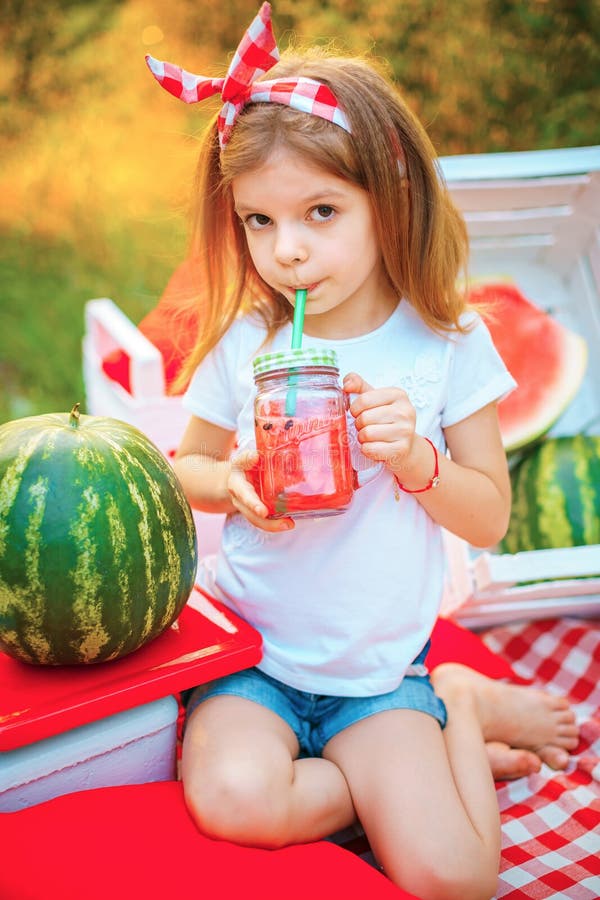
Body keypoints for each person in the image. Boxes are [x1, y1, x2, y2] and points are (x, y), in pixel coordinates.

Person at [147, 6, 578, 897]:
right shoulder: (247, 341)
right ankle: (379, 792)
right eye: (260, 223)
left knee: (455, 880)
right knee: (232, 801)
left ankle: (452, 698)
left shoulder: (446, 346)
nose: (289, 251)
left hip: (381, 676)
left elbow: (490, 514)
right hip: (257, 660)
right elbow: (183, 469)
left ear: (393, 194)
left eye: (320, 212)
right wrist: (226, 481)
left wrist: (419, 463)